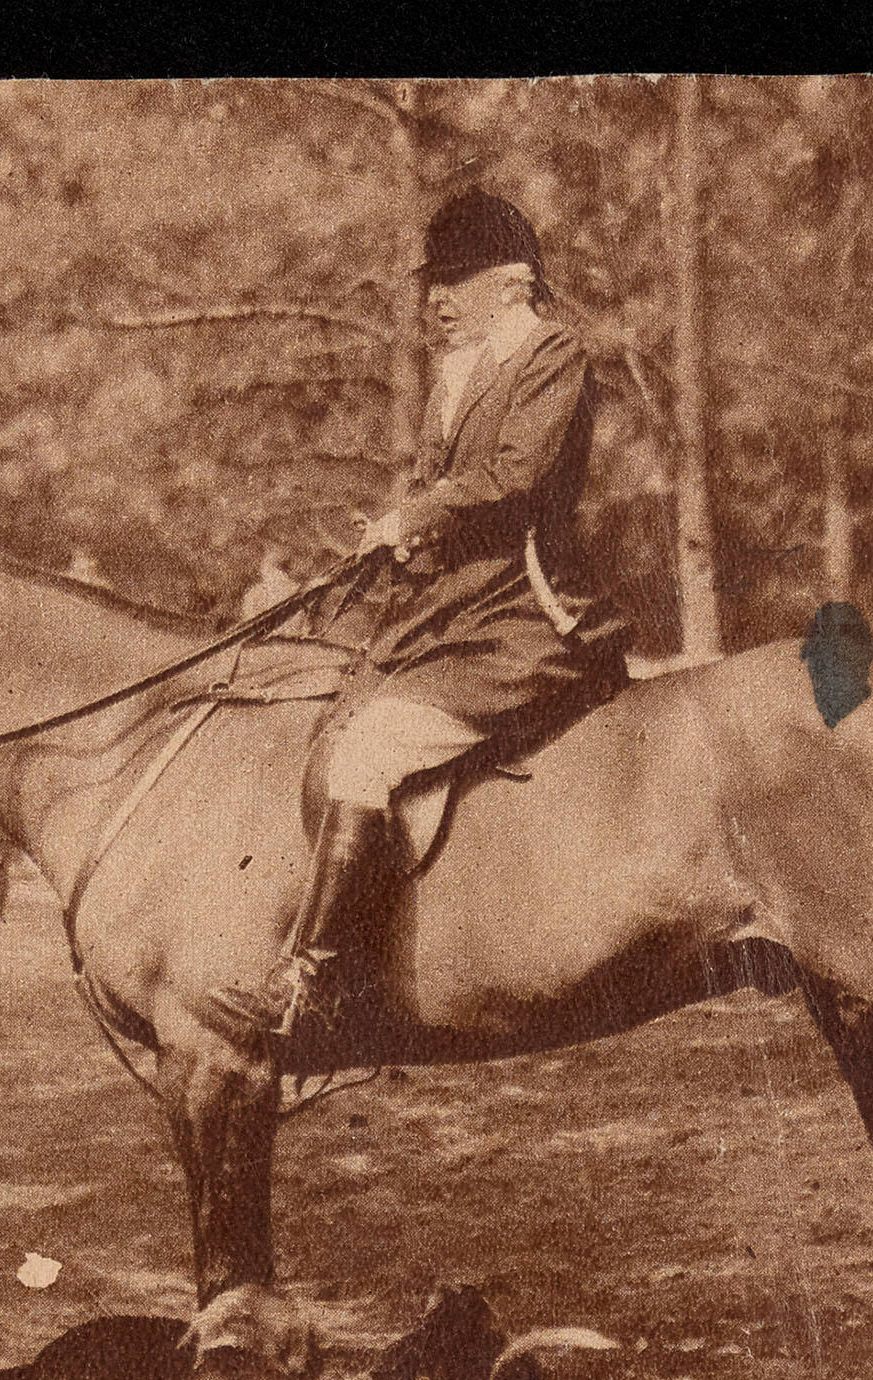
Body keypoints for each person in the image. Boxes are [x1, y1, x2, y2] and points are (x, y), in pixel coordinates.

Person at [209, 189, 629, 1042]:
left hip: (525, 617)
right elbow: (436, 492)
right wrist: (394, 543)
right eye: (433, 282)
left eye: (455, 279)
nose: (437, 298)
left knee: (371, 751)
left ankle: (320, 978)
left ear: (512, 283)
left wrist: (416, 517)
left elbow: (517, 476)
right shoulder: (457, 374)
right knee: (328, 719)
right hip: (450, 613)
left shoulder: (552, 353)